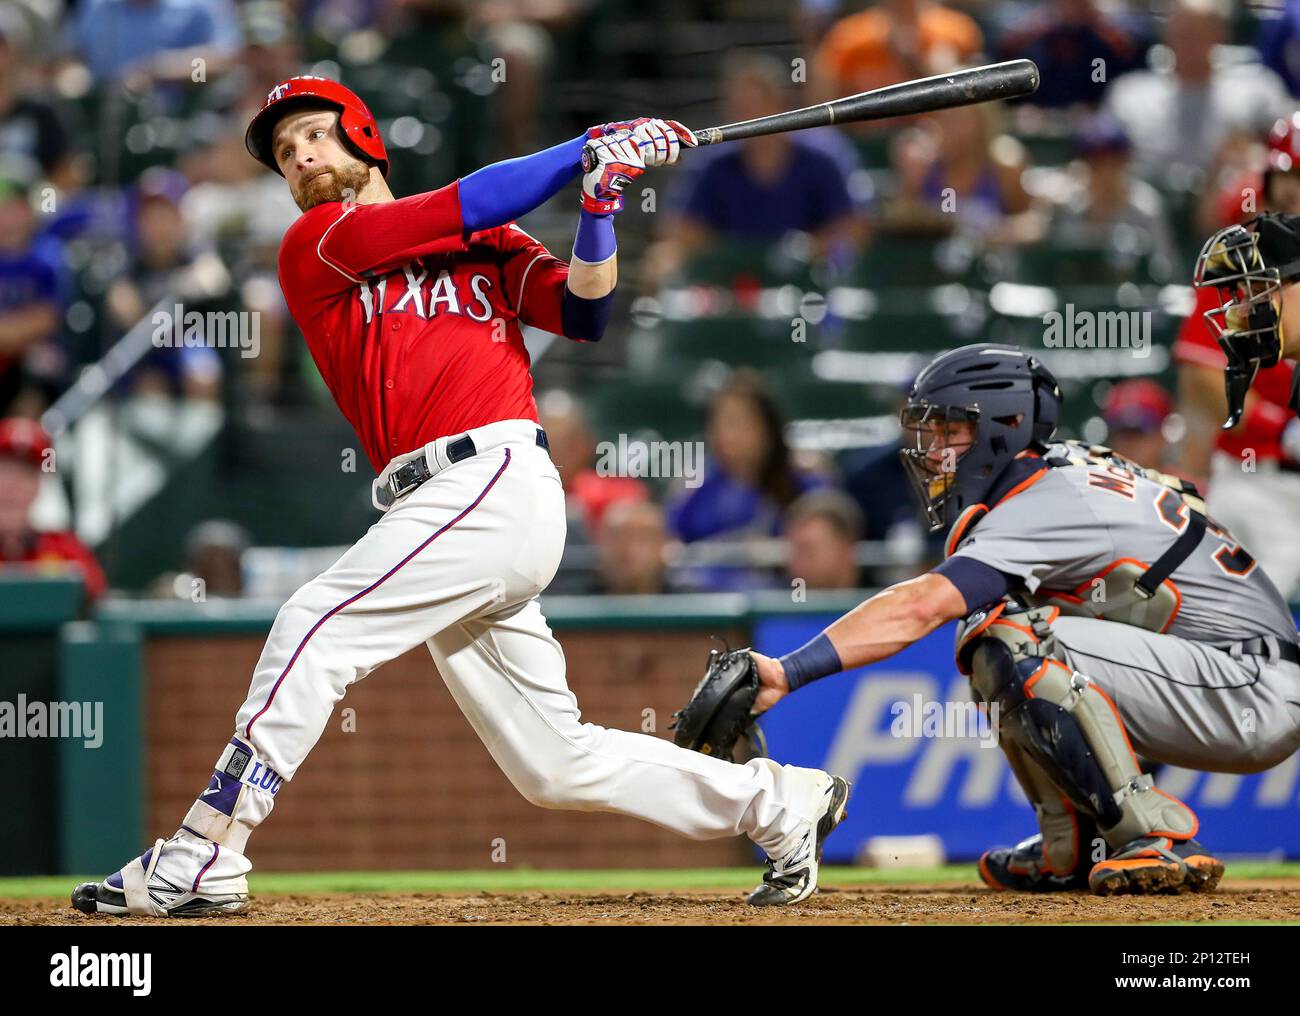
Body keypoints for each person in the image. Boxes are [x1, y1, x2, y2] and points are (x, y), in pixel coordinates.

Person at [70, 77, 849, 918]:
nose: (299, 157)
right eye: (286, 153)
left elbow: (581, 312)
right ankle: (780, 803)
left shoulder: (488, 241)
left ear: (362, 135)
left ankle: (206, 848)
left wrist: (597, 203)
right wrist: (587, 146)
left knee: (315, 624)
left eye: (312, 136)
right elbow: (466, 201)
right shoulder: (320, 242)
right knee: (554, 763)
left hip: (493, 480)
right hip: (436, 504)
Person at [744, 343, 1300, 895]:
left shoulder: (1046, 496)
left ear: (1006, 425)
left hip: (1252, 686)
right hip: (1228, 668)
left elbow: (922, 606)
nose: (934, 449)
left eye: (950, 430)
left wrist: (788, 671)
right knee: (1001, 628)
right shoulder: (1063, 472)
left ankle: (1155, 834)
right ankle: (1076, 846)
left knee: (1011, 638)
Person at [1103, 0, 1291, 187]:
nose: (1189, 44)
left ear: (1219, 35)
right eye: (1182, 33)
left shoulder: (1256, 90)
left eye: (1199, 34)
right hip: (1143, 206)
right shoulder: (1129, 94)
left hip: (1232, 204)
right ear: (1167, 36)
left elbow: (1290, 145)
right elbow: (1100, 151)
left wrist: (1257, 154)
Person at [0, 417, 105, 605]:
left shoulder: (65, 550)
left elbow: (95, 600)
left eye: (25, 475)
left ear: (39, 487)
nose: (11, 487)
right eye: (4, 472)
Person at [785, 490, 864, 591]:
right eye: (794, 553)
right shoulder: (775, 603)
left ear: (845, 550)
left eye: (808, 551)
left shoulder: (885, 603)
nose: (797, 566)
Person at [1100, 378, 1173, 469]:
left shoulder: (1181, 483)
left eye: (1138, 433)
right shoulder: (1090, 481)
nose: (1129, 445)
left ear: (1162, 436)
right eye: (1123, 433)